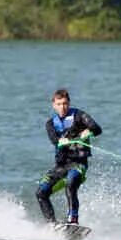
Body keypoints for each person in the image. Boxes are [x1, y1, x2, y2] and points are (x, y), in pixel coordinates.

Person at [36, 88, 102, 224]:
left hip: (78, 164)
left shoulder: (79, 115)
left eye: (65, 103)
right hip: (61, 166)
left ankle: (73, 220)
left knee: (71, 183)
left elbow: (97, 128)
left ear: (69, 103)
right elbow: (54, 140)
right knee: (41, 192)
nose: (62, 107)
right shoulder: (50, 124)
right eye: (59, 104)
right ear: (54, 105)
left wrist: (88, 132)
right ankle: (51, 224)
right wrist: (61, 141)